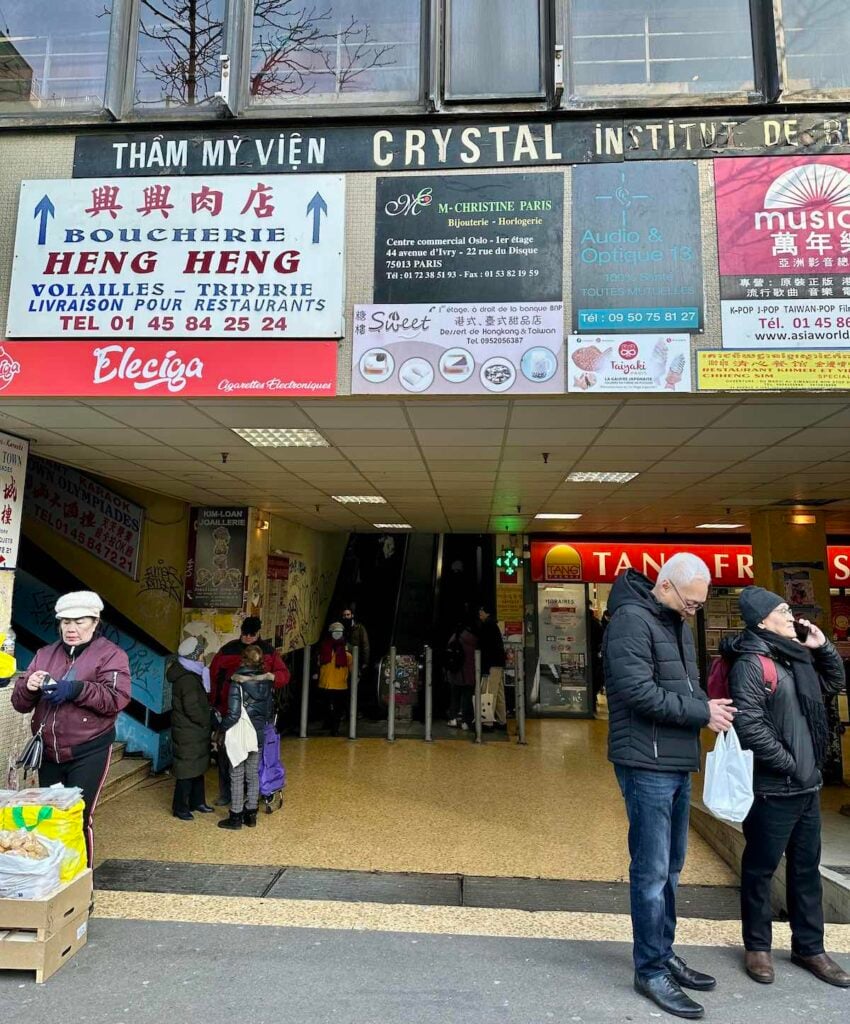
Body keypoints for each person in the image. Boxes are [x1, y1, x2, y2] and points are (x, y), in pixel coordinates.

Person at [603, 554, 736, 1020]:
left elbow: (684, 684)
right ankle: (650, 969)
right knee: (652, 870)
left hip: (674, 759)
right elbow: (638, 692)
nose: (695, 611)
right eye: (692, 602)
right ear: (665, 586)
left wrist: (707, 702)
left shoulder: (674, 619)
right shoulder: (629, 622)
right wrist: (701, 712)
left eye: (700, 604)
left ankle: (664, 952)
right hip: (646, 761)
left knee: (672, 868)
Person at [723, 587, 850, 988]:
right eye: (783, 609)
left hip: (806, 786)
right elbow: (751, 725)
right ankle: (757, 946)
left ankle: (809, 947)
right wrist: (790, 765)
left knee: (806, 869)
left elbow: (834, 685)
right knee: (761, 870)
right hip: (773, 787)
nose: (791, 614)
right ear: (763, 621)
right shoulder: (752, 663)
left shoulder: (796, 656)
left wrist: (823, 646)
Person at [11, 591, 131, 865]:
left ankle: (81, 886)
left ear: (95, 621)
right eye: (65, 622)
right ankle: (56, 882)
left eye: (79, 621)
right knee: (52, 816)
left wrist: (74, 689)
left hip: (89, 750)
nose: (71, 628)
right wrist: (28, 687)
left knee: (78, 816)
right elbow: (19, 704)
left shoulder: (112, 655)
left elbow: (117, 698)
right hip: (49, 753)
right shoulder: (44, 654)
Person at [209, 616, 289, 805]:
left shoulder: (268, 652)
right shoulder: (228, 650)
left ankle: (240, 797)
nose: (247, 638)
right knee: (228, 755)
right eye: (244, 634)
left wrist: (271, 676)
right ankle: (231, 795)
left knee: (243, 758)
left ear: (258, 634)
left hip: (246, 714)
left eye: (251, 635)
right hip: (235, 710)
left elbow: (283, 675)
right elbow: (214, 677)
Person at [218, 645, 274, 831]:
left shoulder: (237, 683)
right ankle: (251, 815)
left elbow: (233, 714)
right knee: (252, 774)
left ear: (242, 659)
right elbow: (268, 712)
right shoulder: (266, 682)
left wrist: (220, 729)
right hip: (257, 735)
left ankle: (235, 816)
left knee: (236, 774)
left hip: (240, 736)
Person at [168, 637, 214, 821]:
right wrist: (207, 721)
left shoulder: (191, 672)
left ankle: (197, 802)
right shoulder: (187, 679)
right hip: (189, 730)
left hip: (193, 730)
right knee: (187, 771)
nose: (203, 656)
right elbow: (192, 707)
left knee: (198, 767)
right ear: (194, 655)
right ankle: (180, 807)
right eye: (201, 653)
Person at [318, 622, 351, 736]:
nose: (337, 634)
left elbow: (351, 667)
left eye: (339, 632)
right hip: (326, 683)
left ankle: (334, 728)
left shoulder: (347, 652)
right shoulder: (324, 648)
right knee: (328, 706)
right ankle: (330, 724)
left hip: (339, 684)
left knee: (337, 708)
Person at [478, 606, 506, 730]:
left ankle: (488, 722)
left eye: (481, 611)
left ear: (487, 613)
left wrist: (484, 668)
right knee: (499, 693)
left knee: (489, 693)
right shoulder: (493, 625)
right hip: (499, 663)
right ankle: (502, 720)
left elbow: (485, 649)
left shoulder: (486, 626)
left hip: (491, 664)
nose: (479, 613)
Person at [445, 621, 477, 731]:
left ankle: (453, 719)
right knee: (467, 698)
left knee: (454, 696)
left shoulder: (455, 638)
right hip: (470, 674)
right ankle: (465, 722)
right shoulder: (475, 640)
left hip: (456, 673)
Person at [341, 606, 370, 673]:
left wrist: (365, 662)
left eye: (348, 615)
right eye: (344, 615)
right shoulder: (341, 628)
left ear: (352, 615)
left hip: (356, 659)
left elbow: (365, 646)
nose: (346, 617)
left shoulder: (359, 628)